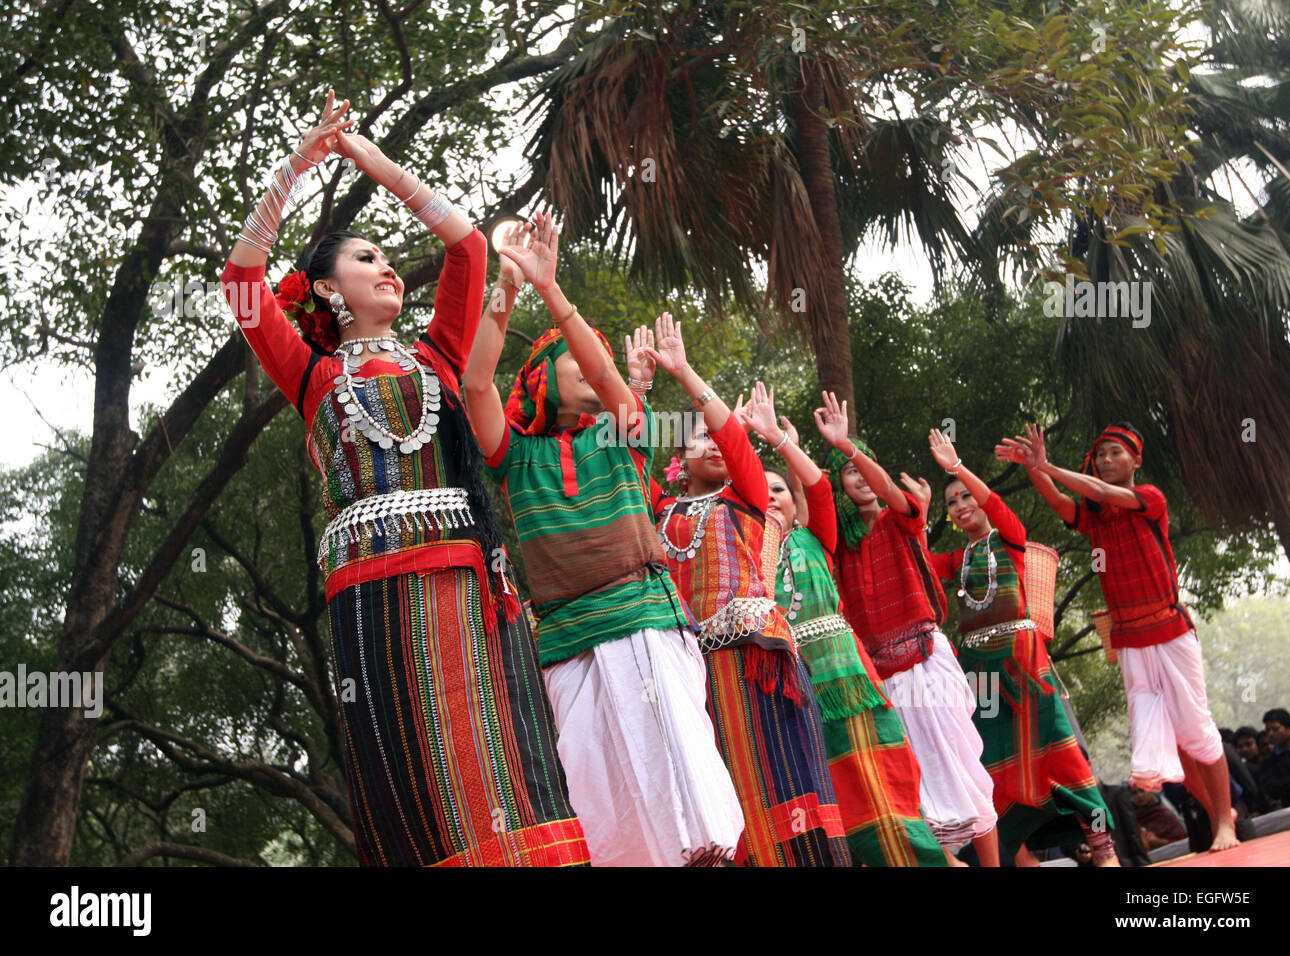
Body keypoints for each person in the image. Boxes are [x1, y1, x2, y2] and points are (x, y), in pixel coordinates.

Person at [220, 93, 587, 866]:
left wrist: (370, 159)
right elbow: (243, 282)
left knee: (499, 753)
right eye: (364, 258)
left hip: (465, 583)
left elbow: (467, 249)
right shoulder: (312, 375)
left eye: (387, 256)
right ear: (326, 289)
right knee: (411, 770)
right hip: (375, 596)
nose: (386, 266)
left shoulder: (440, 357)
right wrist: (298, 164)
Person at [462, 213, 744, 866]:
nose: (596, 368)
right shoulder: (516, 458)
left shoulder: (621, 434)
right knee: (603, 801)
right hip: (563, 640)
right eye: (575, 361)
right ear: (538, 379)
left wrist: (552, 290)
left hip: (641, 618)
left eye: (599, 359)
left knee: (685, 795)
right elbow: (477, 384)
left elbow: (610, 377)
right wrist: (507, 284)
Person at [649, 321, 851, 866]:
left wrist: (684, 371)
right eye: (699, 438)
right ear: (678, 460)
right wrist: (638, 385)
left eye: (718, 436)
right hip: (696, 678)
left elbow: (736, 441)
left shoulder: (746, 494)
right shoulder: (657, 511)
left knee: (786, 786)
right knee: (724, 801)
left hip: (760, 661)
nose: (714, 442)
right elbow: (621, 456)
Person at [998, 422, 1238, 850]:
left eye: (1115, 453)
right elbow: (1056, 500)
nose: (1107, 461)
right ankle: (1222, 811)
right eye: (1101, 455)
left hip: (1169, 630)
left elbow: (1107, 493)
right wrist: (1033, 468)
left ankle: (1226, 823)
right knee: (1176, 743)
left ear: (1136, 460)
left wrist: (1046, 463)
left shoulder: (1150, 499)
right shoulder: (1093, 518)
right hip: (1130, 640)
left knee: (1197, 730)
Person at [746, 385, 946, 866]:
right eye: (762, 490)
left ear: (793, 504)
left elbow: (814, 486)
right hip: (796, 689)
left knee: (886, 787)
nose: (772, 497)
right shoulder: (746, 558)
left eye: (779, 490)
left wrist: (779, 440)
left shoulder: (819, 537)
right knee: (833, 801)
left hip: (849, 681)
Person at [817, 394, 1000, 866]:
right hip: (879, 673)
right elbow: (809, 498)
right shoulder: (836, 542)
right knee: (909, 770)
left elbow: (883, 487)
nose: (859, 479)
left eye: (864, 469)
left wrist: (849, 448)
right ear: (839, 488)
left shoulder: (901, 517)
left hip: (924, 652)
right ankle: (948, 862)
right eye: (849, 473)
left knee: (959, 762)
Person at [925, 429, 1118, 866]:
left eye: (965, 496)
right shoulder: (959, 560)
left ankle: (1104, 849)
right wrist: (913, 514)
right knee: (994, 765)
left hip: (1024, 662)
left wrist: (956, 468)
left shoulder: (1008, 537)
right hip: (981, 674)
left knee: (1063, 757)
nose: (961, 504)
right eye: (952, 502)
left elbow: (994, 505)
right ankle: (1024, 859)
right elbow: (916, 558)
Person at [1260, 708, 1290, 808]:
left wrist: (1285, 783)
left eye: (1275, 729)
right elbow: (1272, 789)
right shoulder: (1268, 762)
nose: (1270, 734)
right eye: (1268, 730)